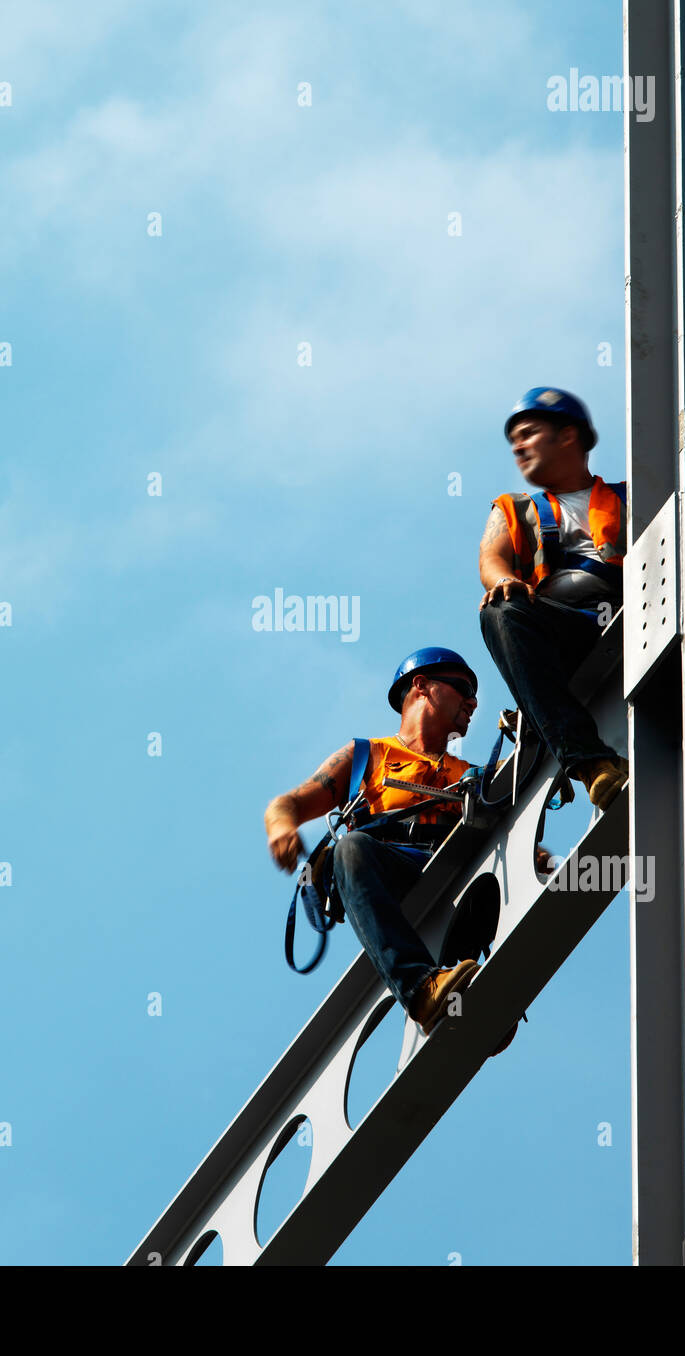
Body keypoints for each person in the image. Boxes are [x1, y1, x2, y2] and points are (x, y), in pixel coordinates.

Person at [264, 648, 486, 1034]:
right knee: (350, 849)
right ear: (423, 687)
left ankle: (484, 1003)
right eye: (462, 688)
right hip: (393, 871)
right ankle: (422, 991)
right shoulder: (369, 756)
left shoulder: (471, 773)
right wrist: (282, 827)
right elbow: (288, 803)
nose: (473, 702)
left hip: (454, 874)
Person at [477, 387, 629, 811]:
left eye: (528, 433)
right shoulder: (516, 508)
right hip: (569, 630)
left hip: (636, 614)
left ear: (567, 436)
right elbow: (492, 558)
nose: (518, 447)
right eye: (513, 442)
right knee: (500, 611)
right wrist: (505, 581)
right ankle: (591, 763)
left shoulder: (629, 495)